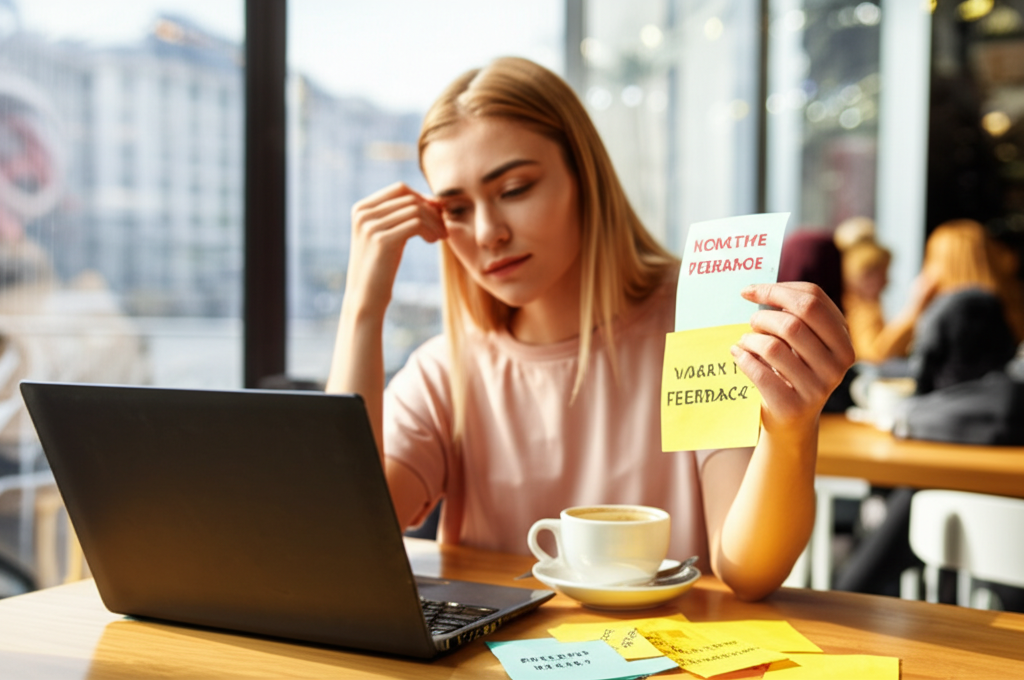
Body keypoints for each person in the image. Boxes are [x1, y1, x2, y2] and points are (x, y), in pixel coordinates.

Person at [326, 57, 854, 601]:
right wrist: (362, 309)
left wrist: (791, 433)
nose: (487, 233)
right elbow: (340, 538)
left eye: (514, 189)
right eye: (456, 209)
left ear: (585, 177)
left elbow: (748, 569)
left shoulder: (697, 325)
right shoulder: (444, 369)